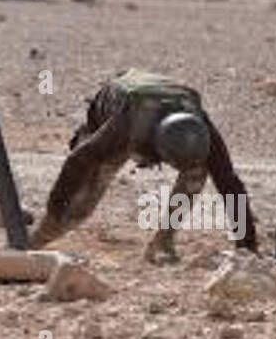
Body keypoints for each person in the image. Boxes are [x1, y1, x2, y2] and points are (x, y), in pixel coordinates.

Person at [30, 69, 257, 261]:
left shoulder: (200, 129)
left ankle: (163, 242)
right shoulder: (124, 131)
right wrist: (56, 209)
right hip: (113, 106)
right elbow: (77, 160)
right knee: (82, 203)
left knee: (197, 173)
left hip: (161, 104)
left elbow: (230, 185)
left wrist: (247, 246)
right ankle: (35, 240)